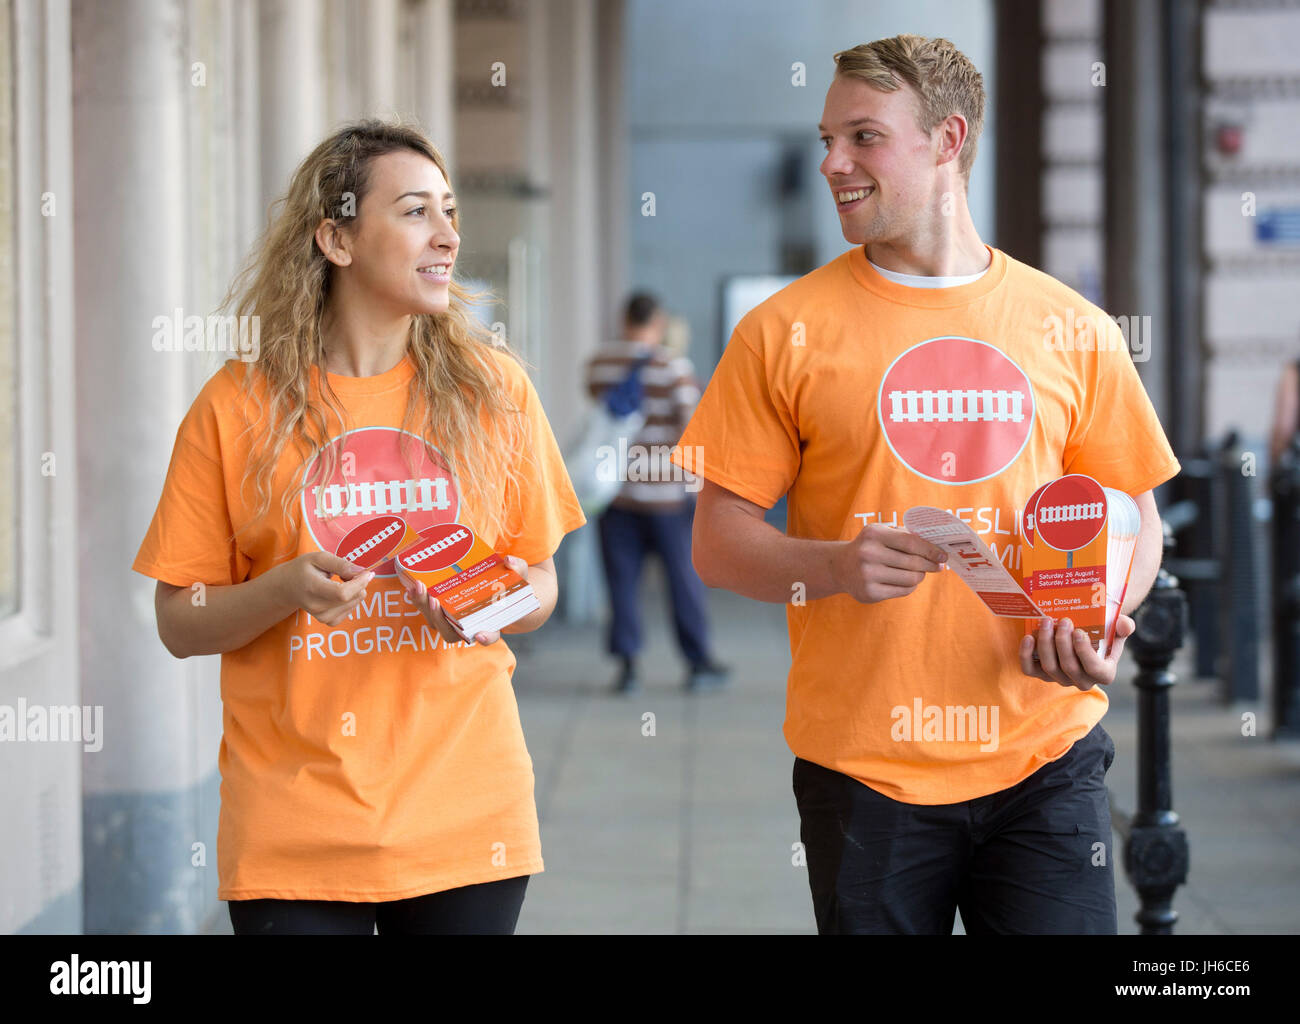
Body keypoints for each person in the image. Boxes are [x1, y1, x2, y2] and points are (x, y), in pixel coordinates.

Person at [671, 35, 1180, 934]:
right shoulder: (781, 330)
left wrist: (1098, 615)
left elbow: (1137, 516)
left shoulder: (1074, 327)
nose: (832, 163)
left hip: (1045, 758)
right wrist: (832, 566)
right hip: (866, 775)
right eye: (827, 138)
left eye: (863, 137)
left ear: (948, 140)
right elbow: (716, 542)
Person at [132, 119, 585, 935]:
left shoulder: (495, 391)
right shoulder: (234, 407)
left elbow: (542, 582)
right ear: (336, 238)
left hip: (465, 814)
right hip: (294, 826)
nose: (447, 235)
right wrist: (279, 591)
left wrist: (498, 603)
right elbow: (177, 622)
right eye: (415, 212)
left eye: (449, 212)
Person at [584, 293, 730, 693]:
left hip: (616, 495)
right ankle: (698, 663)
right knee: (683, 578)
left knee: (621, 581)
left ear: (624, 318)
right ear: (659, 322)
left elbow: (598, 410)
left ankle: (628, 668)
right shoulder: (673, 367)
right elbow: (692, 429)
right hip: (667, 497)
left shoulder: (600, 363)